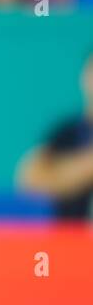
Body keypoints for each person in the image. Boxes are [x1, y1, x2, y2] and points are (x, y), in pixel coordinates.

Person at [17, 52, 93, 219]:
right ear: (84, 77)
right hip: (71, 238)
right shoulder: (67, 133)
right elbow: (29, 178)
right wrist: (84, 168)